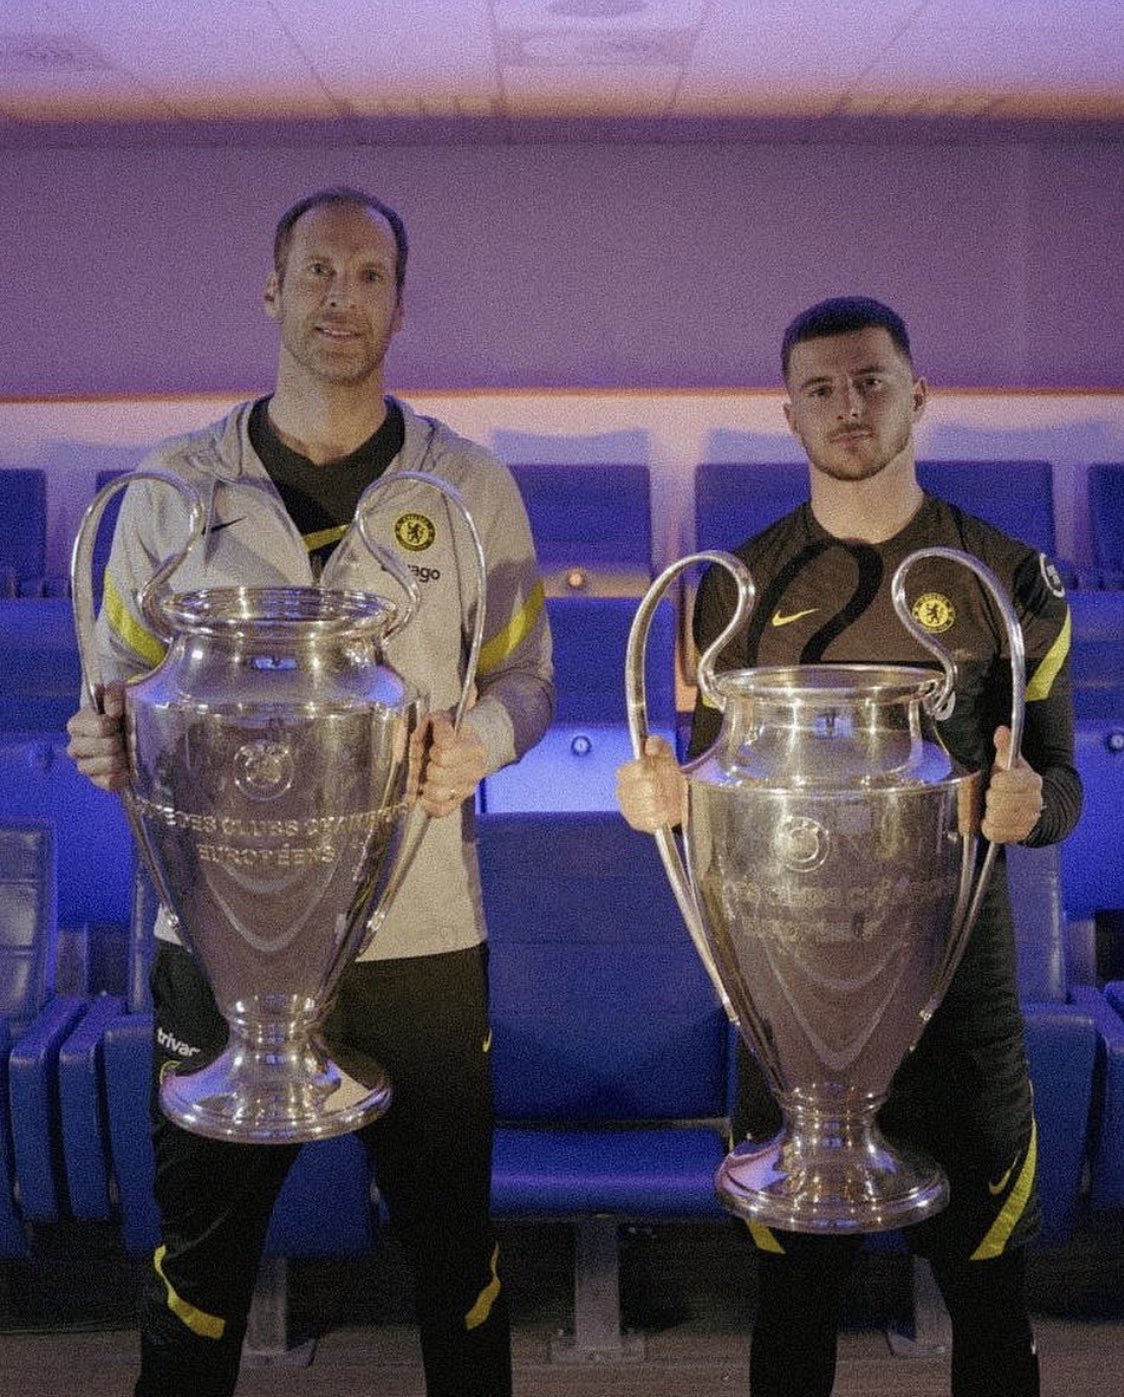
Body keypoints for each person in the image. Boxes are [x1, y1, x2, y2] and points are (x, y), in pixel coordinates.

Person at [66, 185, 554, 1397]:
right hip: (216, 935)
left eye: (370, 275)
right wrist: (103, 735)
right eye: (320, 272)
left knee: (456, 1255)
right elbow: (116, 685)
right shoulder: (170, 488)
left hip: (420, 936)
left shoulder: (467, 486)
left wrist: (485, 736)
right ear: (272, 290)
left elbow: (529, 676)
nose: (344, 297)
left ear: (399, 302)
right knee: (198, 1263)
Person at [616, 296, 1081, 1397]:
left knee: (987, 1297)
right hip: (792, 997)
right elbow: (710, 775)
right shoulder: (742, 584)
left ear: (918, 393)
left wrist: (1032, 807)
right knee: (793, 1305)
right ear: (789, 415)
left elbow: (1060, 782)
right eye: (820, 388)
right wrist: (662, 798)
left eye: (871, 380)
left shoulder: (1006, 575)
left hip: (955, 998)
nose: (848, 406)